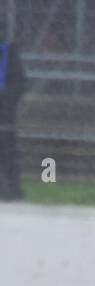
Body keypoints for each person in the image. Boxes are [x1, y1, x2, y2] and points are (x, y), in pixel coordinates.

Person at [0, 35, 26, 200]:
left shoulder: (8, 52)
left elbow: (19, 82)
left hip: (4, 116)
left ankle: (13, 192)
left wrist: (6, 104)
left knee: (8, 154)